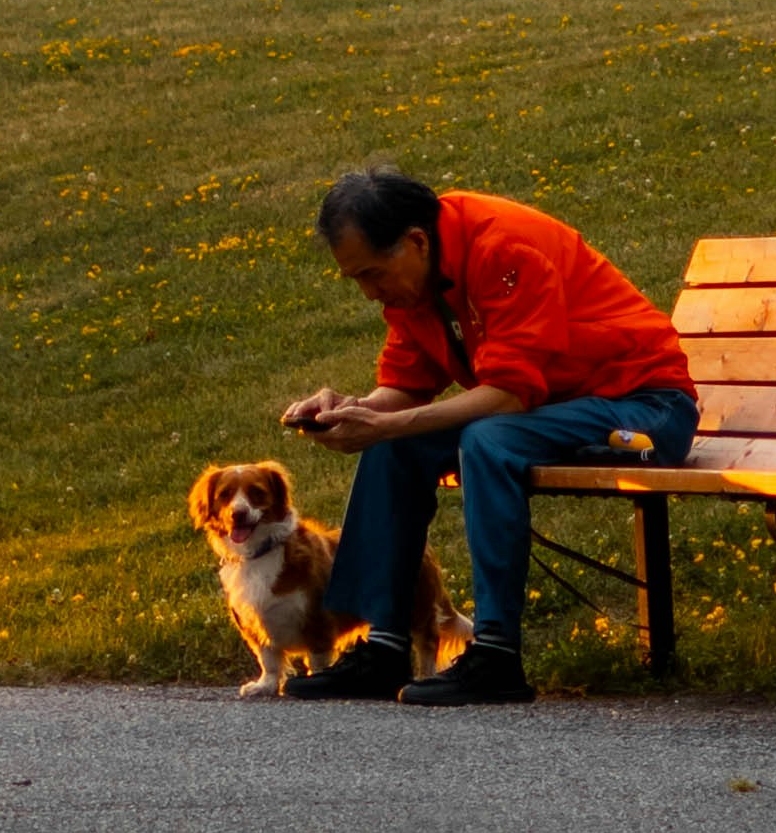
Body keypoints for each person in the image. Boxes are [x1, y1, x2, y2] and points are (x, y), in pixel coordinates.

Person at [279, 166, 696, 708]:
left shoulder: (503, 249)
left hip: (646, 406)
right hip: (556, 408)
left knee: (487, 439)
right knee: (396, 444)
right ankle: (383, 648)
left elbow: (508, 396)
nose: (367, 293)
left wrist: (386, 422)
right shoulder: (416, 282)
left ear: (416, 242)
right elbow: (405, 388)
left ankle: (496, 655)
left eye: (373, 274)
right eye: (355, 278)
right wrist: (351, 409)